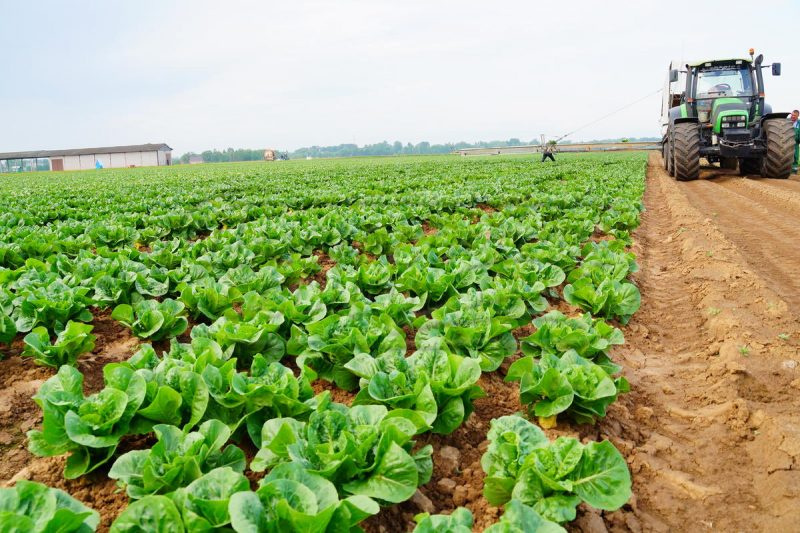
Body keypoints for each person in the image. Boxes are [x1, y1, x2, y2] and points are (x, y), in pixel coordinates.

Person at [791, 109, 799, 174]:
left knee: (795, 157)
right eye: (792, 115)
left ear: (798, 116)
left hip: (795, 143)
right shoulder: (787, 122)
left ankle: (794, 172)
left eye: (794, 115)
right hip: (786, 142)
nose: (793, 116)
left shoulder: (799, 124)